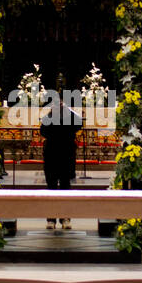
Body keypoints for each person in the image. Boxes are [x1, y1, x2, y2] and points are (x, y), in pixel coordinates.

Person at [41, 71, 82, 231]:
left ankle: (65, 218)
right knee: (51, 187)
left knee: (65, 187)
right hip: (51, 154)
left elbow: (79, 125)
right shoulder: (49, 116)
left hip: (66, 154)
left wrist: (68, 111)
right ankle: (51, 219)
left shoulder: (70, 117)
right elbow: (43, 131)